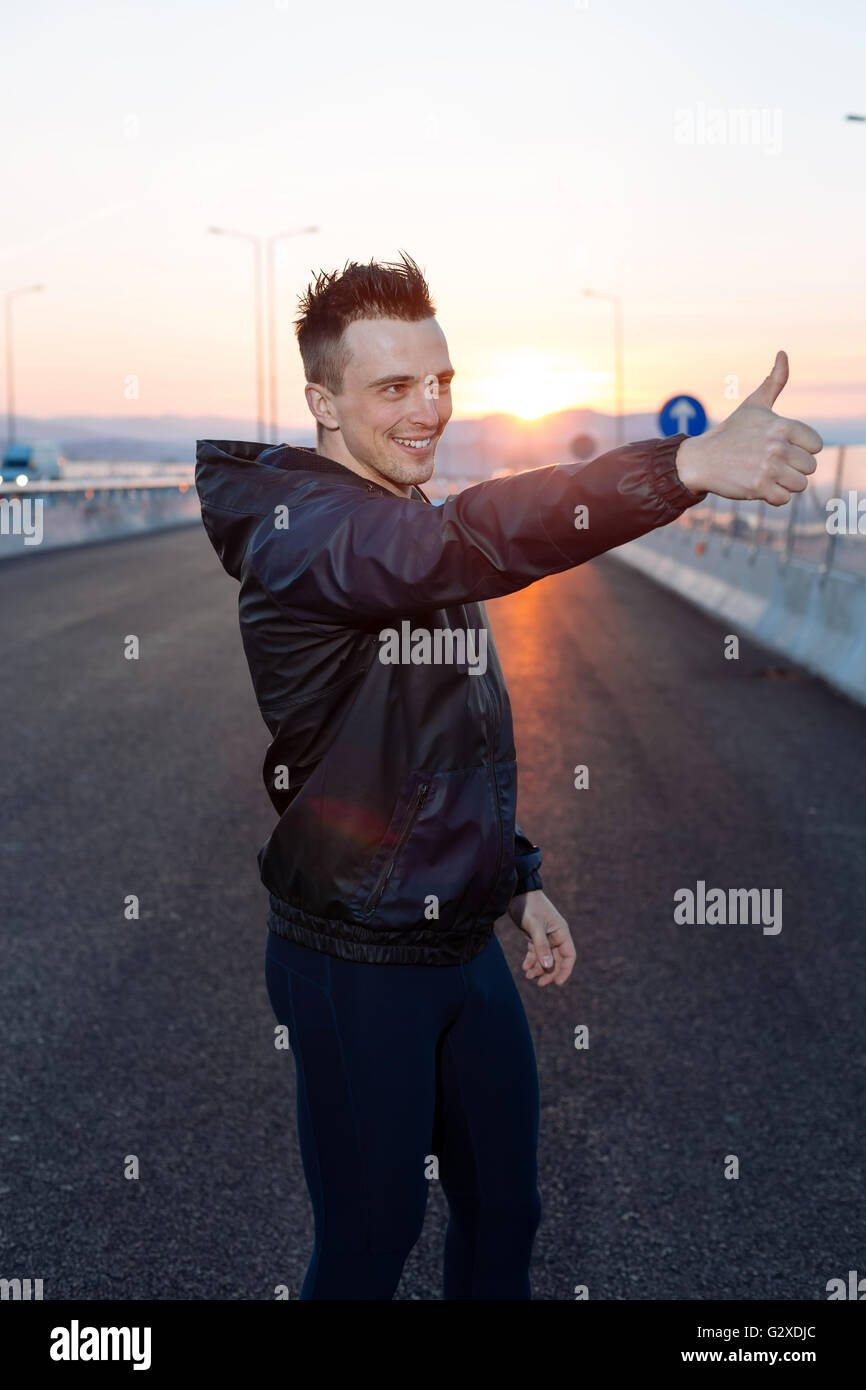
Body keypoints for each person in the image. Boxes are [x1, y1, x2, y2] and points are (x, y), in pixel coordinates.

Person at [194, 252, 822, 1300]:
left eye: (439, 380)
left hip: (456, 940)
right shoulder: (304, 534)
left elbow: (442, 737)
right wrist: (681, 468)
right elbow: (471, 537)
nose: (428, 409)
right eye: (392, 388)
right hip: (355, 953)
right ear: (322, 400)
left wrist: (515, 877)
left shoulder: (396, 517)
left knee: (505, 1212)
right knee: (368, 1238)